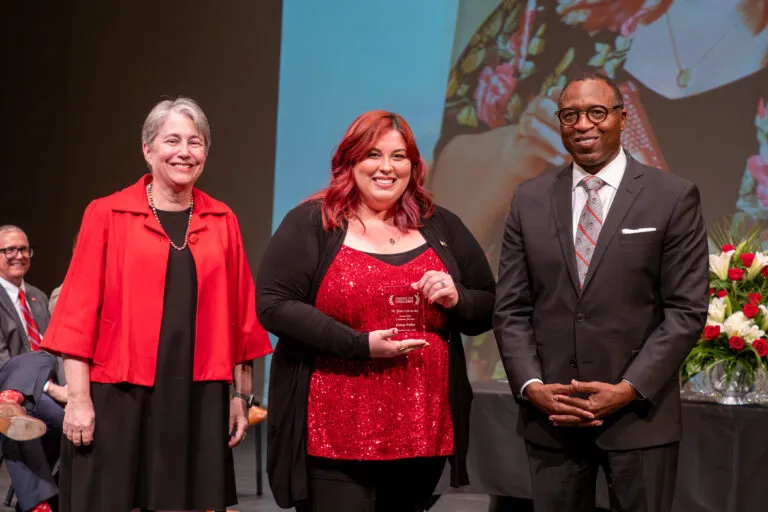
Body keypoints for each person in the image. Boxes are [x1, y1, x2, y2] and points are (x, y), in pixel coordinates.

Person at [431, 0, 768, 380]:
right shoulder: (554, 12)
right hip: (537, 378)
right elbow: (439, 237)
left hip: (726, 388)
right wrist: (515, 152)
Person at [41, 96, 273, 512]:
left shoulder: (223, 220)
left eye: (196, 142)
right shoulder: (106, 213)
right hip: (119, 394)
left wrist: (241, 398)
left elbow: (241, 322)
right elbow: (76, 315)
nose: (185, 152)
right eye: (172, 141)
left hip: (197, 397)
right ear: (147, 150)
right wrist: (78, 399)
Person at [257, 110, 495, 511]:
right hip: (333, 435)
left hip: (422, 432)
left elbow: (488, 305)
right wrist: (358, 345)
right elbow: (274, 304)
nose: (387, 167)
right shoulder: (314, 223)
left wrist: (458, 299)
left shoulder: (441, 226)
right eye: (373, 154)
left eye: (399, 156)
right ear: (350, 161)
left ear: (413, 166)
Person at [493, 73, 709, 511]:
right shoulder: (530, 198)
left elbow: (685, 310)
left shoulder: (671, 196)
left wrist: (628, 388)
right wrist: (533, 386)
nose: (583, 124)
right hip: (552, 418)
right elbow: (511, 308)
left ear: (621, 118)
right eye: (570, 114)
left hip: (639, 419)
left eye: (596, 112)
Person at [0, 225, 64, 512]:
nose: (18, 255)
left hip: (38, 394)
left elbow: (56, 352)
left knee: (75, 423)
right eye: (9, 250)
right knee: (36, 358)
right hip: (7, 383)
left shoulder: (37, 296)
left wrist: (68, 389)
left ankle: (47, 502)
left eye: (24, 249)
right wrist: (48, 387)